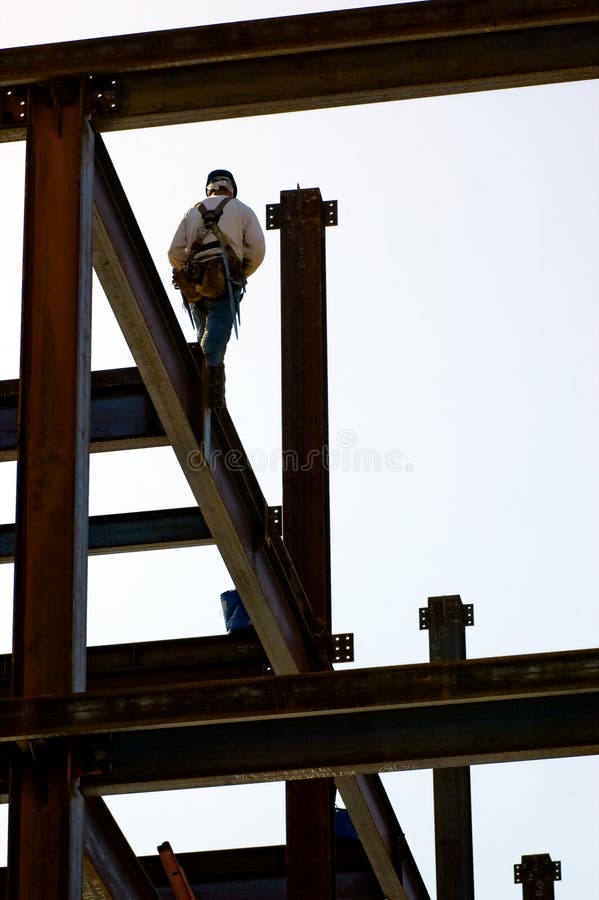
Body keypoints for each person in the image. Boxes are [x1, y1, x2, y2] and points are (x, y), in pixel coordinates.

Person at [168, 169, 265, 404]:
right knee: (216, 333)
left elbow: (173, 253)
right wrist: (242, 272)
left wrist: (189, 271)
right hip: (226, 279)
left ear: (208, 188)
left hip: (195, 280)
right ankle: (209, 384)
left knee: (202, 330)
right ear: (231, 189)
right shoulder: (242, 209)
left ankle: (197, 379)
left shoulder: (192, 211)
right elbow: (257, 250)